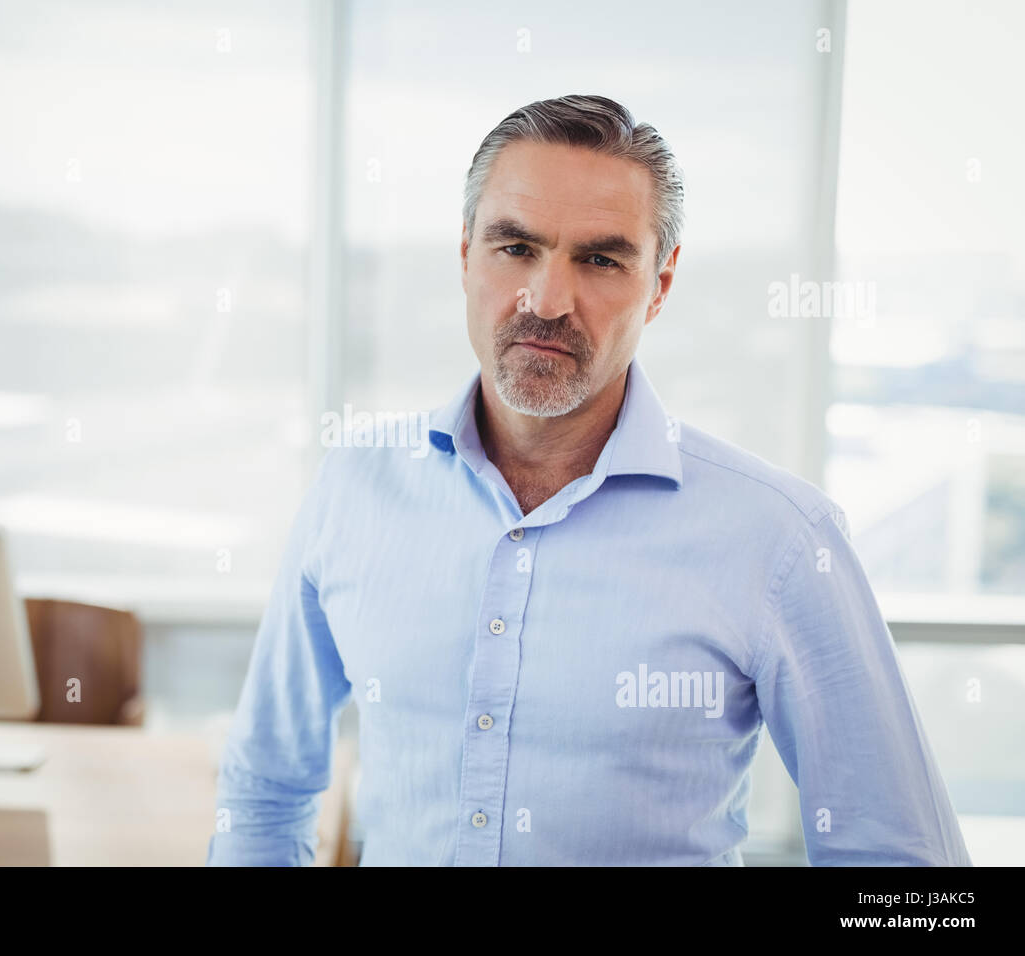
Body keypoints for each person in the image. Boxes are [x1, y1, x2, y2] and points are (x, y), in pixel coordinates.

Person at [207, 94, 971, 866]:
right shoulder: (355, 490)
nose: (547, 301)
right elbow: (265, 791)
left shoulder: (778, 538)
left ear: (661, 284)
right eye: (515, 247)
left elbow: (903, 865)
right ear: (465, 254)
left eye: (600, 259)